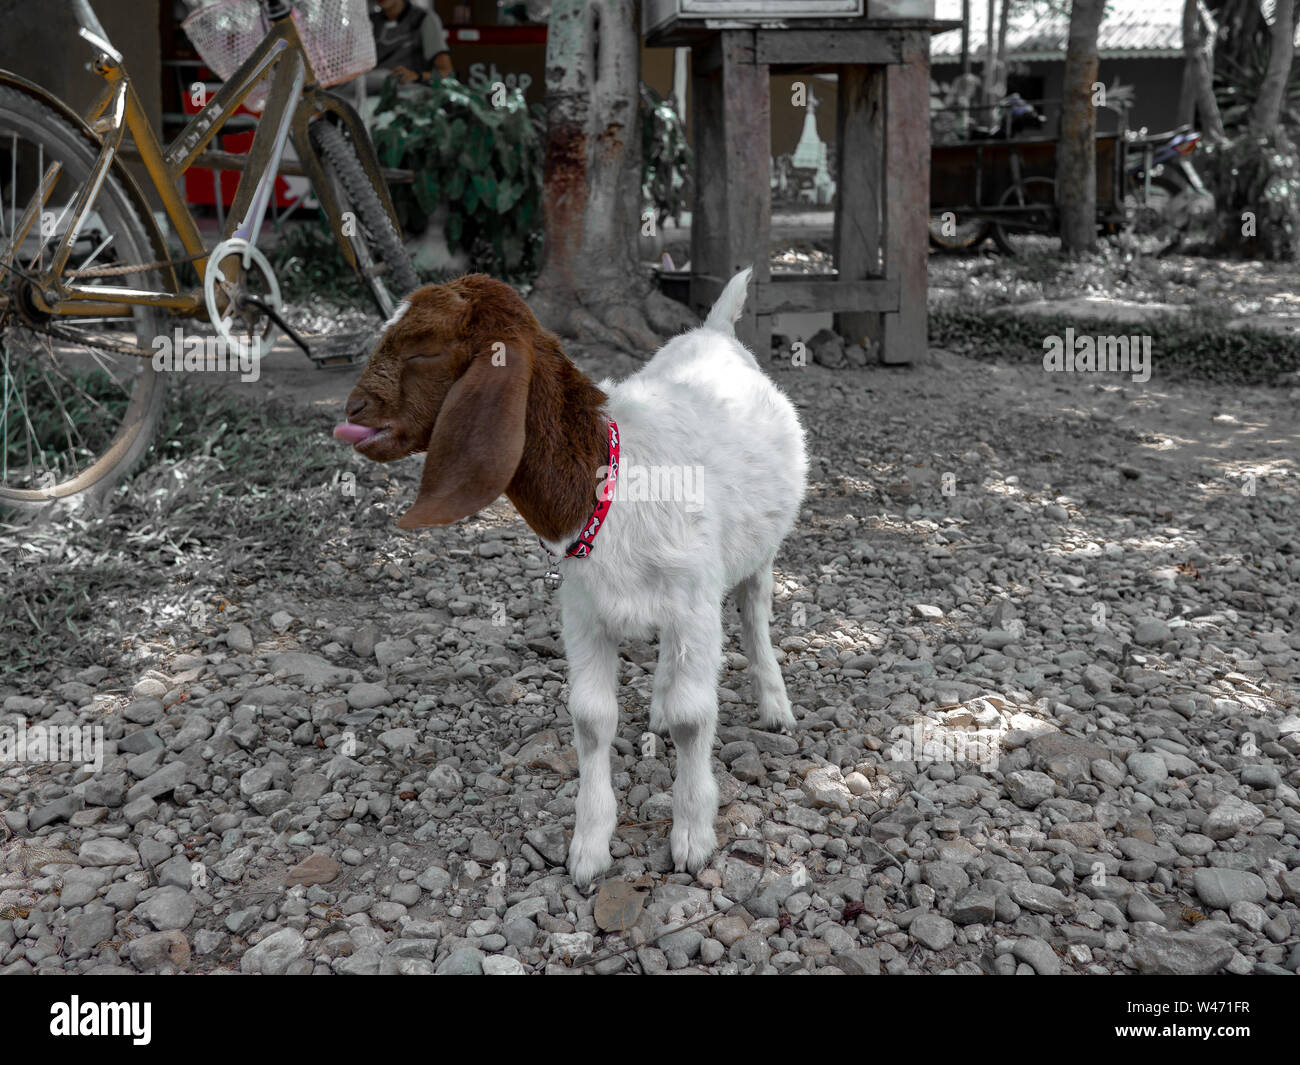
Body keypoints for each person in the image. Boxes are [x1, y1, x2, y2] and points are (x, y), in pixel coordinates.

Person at [369, 0, 453, 88]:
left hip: (407, 93)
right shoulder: (371, 21)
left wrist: (416, 76)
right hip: (370, 91)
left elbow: (446, 73)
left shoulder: (422, 19)